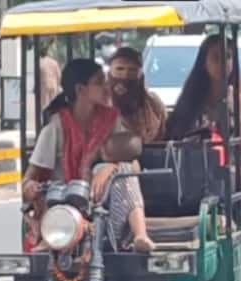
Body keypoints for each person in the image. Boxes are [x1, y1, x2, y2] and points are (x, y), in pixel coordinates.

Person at [22, 59, 154, 253]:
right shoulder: (56, 128)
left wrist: (111, 167)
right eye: (99, 82)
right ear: (81, 90)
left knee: (123, 170)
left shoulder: (112, 120)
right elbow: (28, 181)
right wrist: (30, 187)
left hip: (105, 214)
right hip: (64, 218)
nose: (107, 87)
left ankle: (141, 235)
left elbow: (134, 166)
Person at [166, 34, 241, 212]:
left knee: (220, 188)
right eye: (215, 57)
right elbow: (176, 136)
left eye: (227, 56)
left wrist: (237, 108)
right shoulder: (191, 100)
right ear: (204, 62)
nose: (223, 63)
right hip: (196, 170)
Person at [91, 132, 154, 252]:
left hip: (122, 230)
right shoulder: (99, 169)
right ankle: (140, 233)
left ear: (105, 154)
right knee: (125, 171)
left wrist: (118, 166)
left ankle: (140, 236)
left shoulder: (127, 169)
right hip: (102, 229)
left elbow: (135, 167)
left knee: (126, 171)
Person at [108, 47, 167, 142]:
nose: (125, 75)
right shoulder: (100, 103)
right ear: (110, 71)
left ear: (140, 74)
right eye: (119, 69)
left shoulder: (153, 103)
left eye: (132, 70)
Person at [38, 40, 61, 112]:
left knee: (45, 105)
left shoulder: (40, 63)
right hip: (54, 85)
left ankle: (46, 120)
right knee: (54, 104)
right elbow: (59, 75)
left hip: (44, 85)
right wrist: (58, 85)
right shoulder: (54, 62)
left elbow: (38, 76)